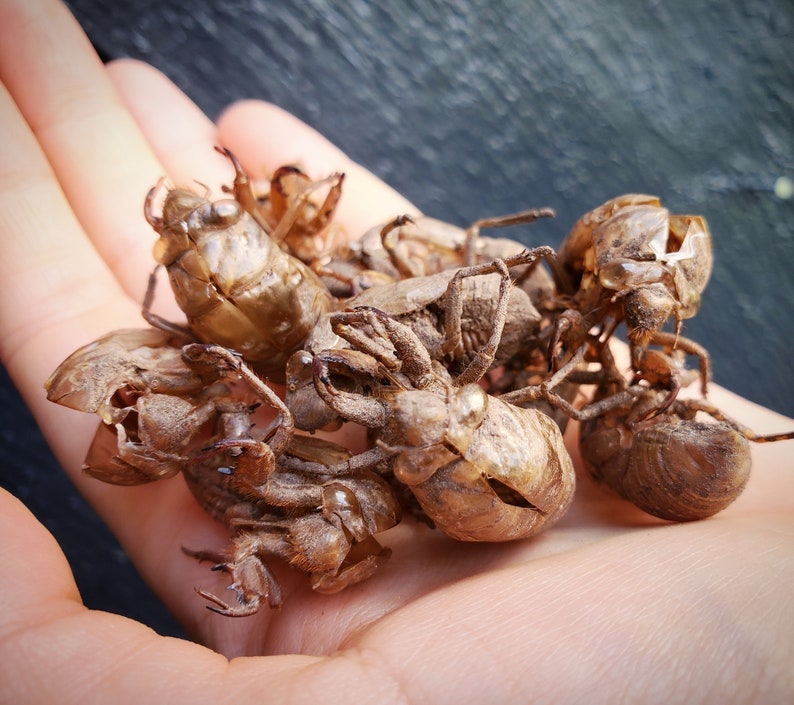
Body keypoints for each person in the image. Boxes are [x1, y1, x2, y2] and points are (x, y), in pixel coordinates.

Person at [1, 1, 792, 702]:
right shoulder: (392, 420)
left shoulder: (408, 417)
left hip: (467, 433)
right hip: (444, 423)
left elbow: (372, 417)